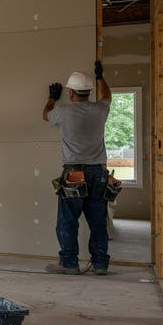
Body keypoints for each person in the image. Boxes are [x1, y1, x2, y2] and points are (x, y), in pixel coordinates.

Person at [42, 61, 112, 275]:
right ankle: (100, 264)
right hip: (99, 173)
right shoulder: (100, 109)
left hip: (74, 173)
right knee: (98, 221)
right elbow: (107, 96)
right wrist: (100, 76)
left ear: (70, 92)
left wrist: (52, 97)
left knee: (67, 219)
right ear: (89, 92)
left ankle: (69, 263)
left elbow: (46, 115)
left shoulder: (62, 111)